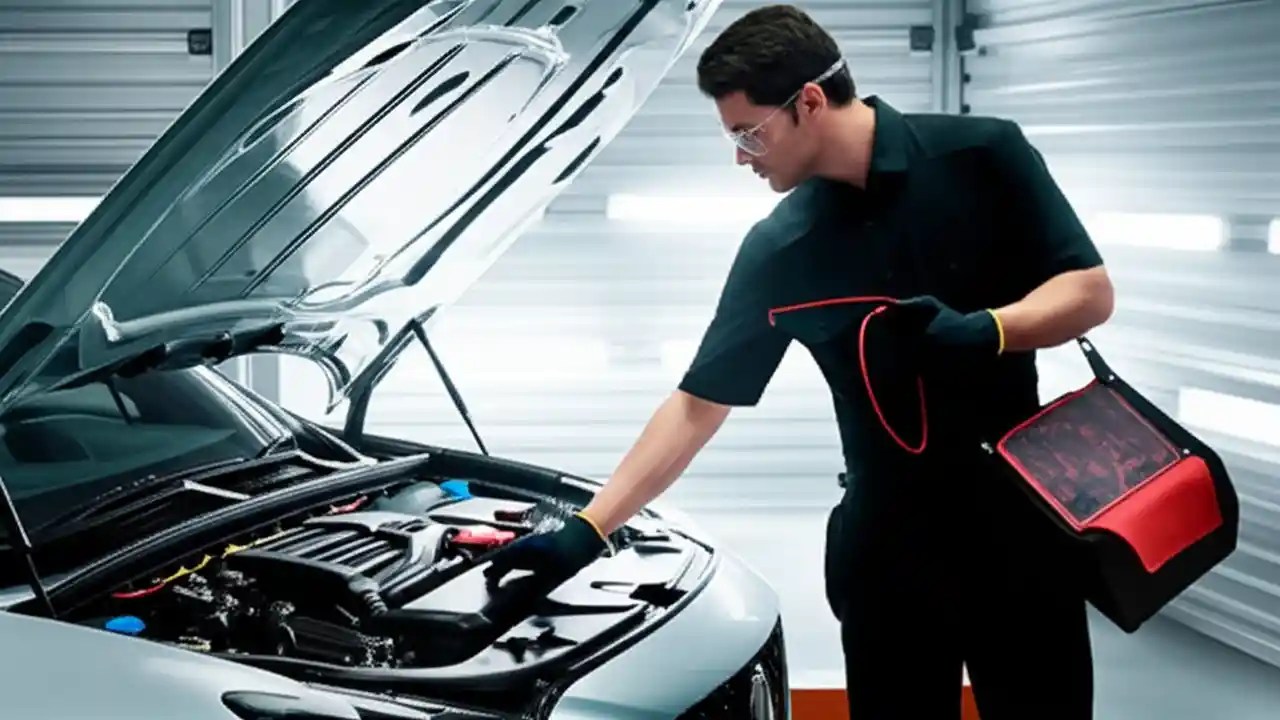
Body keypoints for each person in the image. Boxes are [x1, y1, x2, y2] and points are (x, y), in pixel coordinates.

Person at [485, 4, 1115, 719]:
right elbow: (698, 403)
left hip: (1020, 533)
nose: (741, 156)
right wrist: (586, 530)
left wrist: (988, 329)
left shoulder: (983, 155)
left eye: (749, 133)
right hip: (889, 557)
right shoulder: (781, 247)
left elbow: (1090, 293)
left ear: (809, 102)